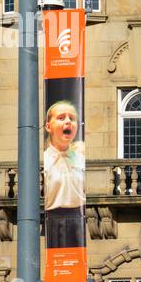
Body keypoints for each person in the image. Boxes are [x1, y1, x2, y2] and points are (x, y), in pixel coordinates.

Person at [43, 99, 86, 249]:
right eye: (61, 118)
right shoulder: (43, 160)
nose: (68, 121)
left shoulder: (82, 160)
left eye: (72, 118)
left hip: (79, 219)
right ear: (48, 126)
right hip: (52, 220)